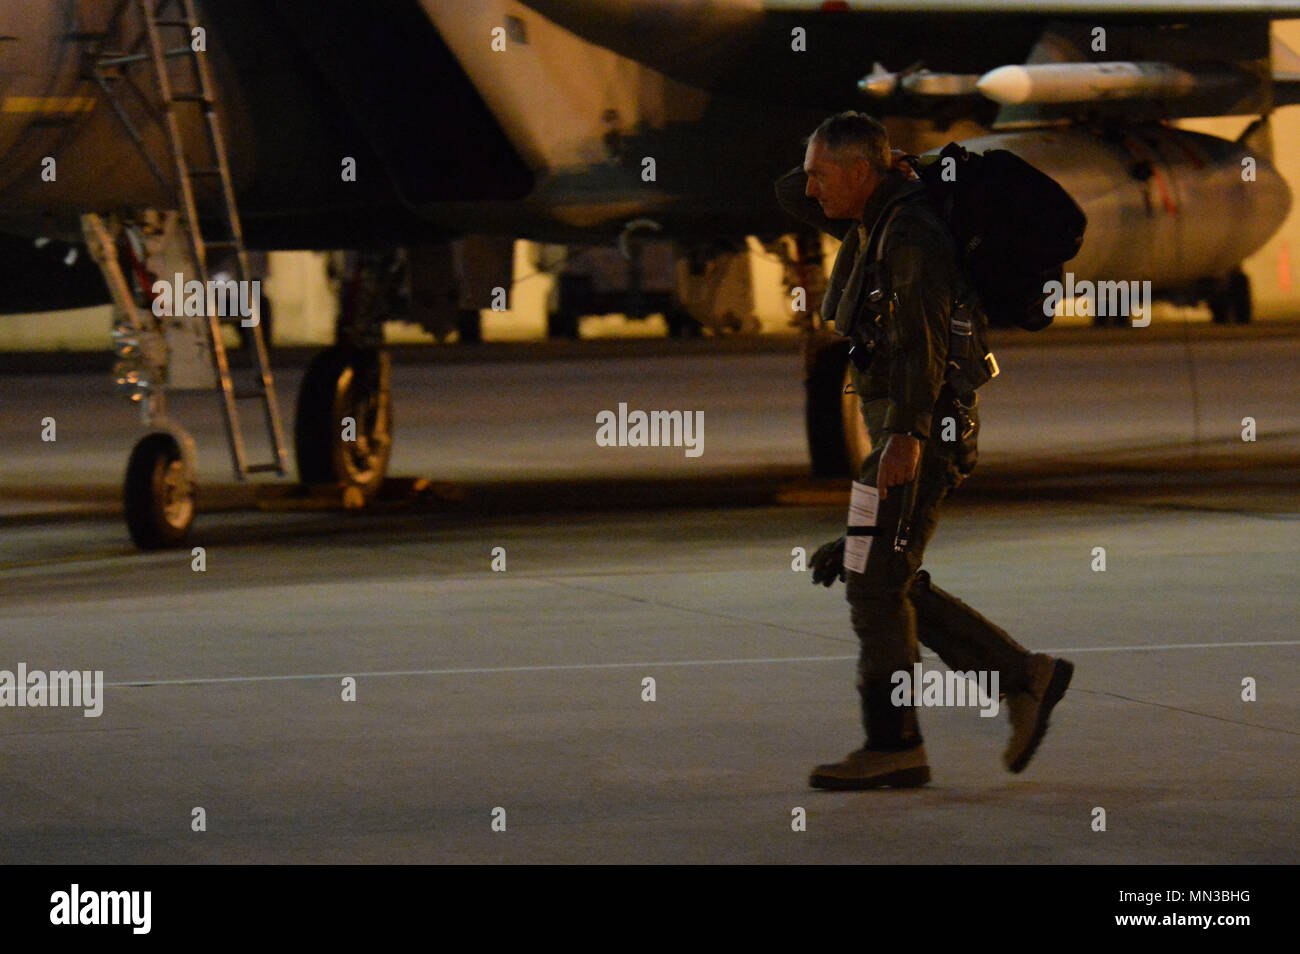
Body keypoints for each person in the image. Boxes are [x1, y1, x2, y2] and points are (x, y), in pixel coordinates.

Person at [775, 111, 1073, 790]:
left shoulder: (908, 236)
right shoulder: (876, 220)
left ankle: (895, 744)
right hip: (898, 433)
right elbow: (789, 193)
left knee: (875, 585)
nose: (809, 189)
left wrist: (905, 438)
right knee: (879, 572)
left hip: (920, 434)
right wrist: (877, 164)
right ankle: (1023, 678)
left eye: (824, 174)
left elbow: (920, 341)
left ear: (858, 173)